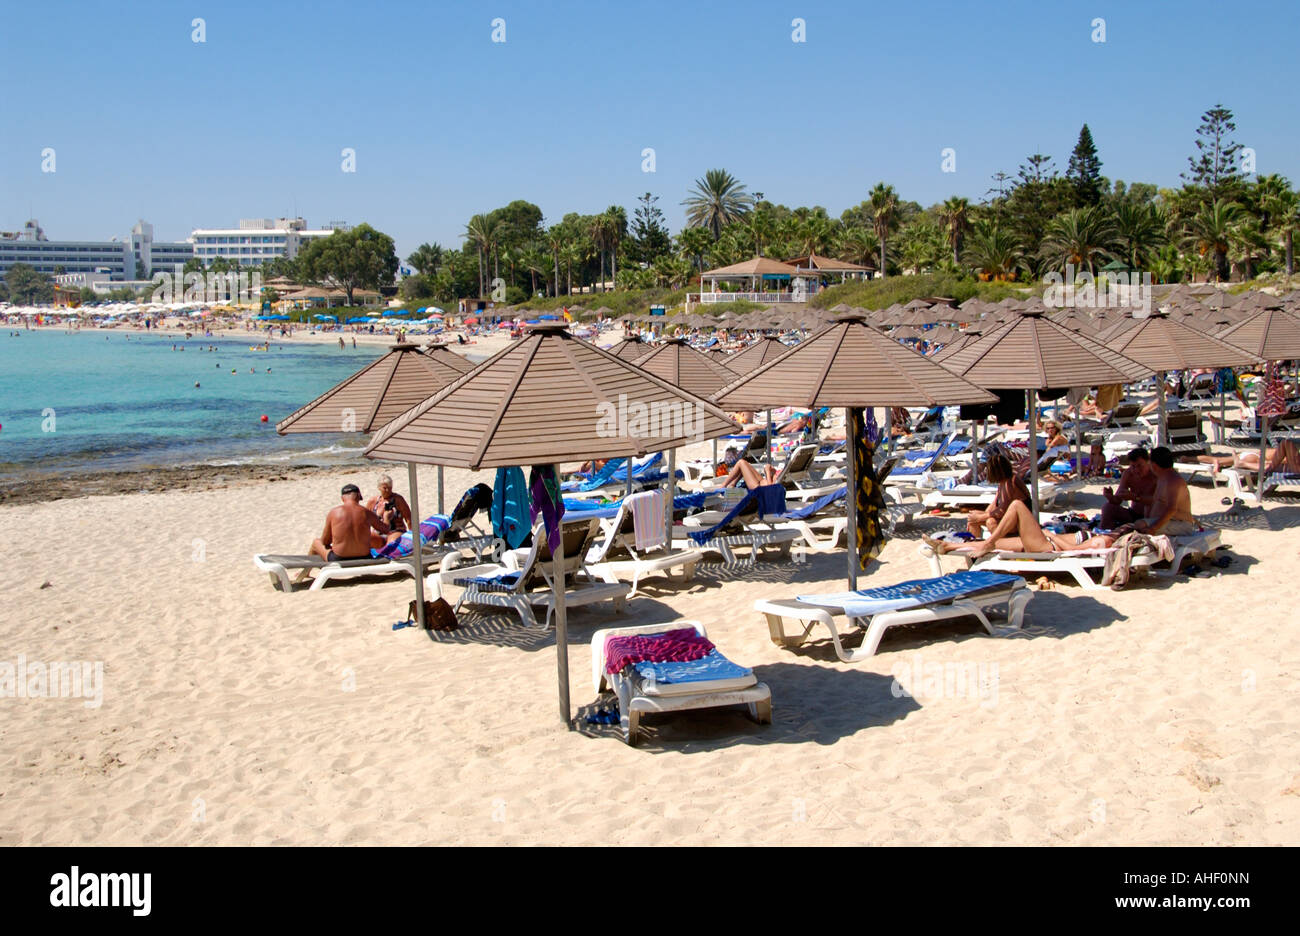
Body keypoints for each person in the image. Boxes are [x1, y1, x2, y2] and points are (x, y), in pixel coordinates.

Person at [305, 484, 390, 570]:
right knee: (374, 538)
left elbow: (325, 541)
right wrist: (386, 517)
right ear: (358, 496)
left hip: (339, 559)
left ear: (342, 498)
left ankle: (306, 572)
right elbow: (386, 530)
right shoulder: (366, 512)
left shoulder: (334, 512)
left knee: (316, 542)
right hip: (365, 557)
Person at [1121, 446, 1196, 536]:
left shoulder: (1173, 480)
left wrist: (1153, 528)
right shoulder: (1162, 477)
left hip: (1180, 524)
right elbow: (1154, 502)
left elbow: (1172, 509)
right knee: (1130, 527)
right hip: (1165, 521)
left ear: (1154, 465)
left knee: (1139, 525)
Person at [964, 453, 1031, 539]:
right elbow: (994, 505)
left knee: (990, 522)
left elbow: (1001, 511)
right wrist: (977, 517)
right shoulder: (1002, 483)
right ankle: (975, 542)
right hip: (1009, 519)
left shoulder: (1011, 483)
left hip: (1020, 522)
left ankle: (1000, 543)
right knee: (973, 516)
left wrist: (981, 517)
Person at [1100, 448, 1155, 528]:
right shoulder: (1128, 474)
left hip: (1152, 517)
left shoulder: (1155, 475)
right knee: (1107, 507)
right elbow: (1118, 500)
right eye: (1133, 466)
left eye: (1140, 466)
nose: (1136, 470)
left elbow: (1160, 501)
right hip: (1134, 514)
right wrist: (1110, 497)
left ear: (1148, 462)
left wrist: (1136, 497)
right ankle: (1105, 535)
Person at [364, 474, 412, 547]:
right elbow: (365, 520)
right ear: (379, 488)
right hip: (378, 532)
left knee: (391, 545)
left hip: (396, 530)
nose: (388, 490)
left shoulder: (398, 500)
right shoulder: (373, 501)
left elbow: (408, 518)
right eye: (385, 488)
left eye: (390, 488)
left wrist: (412, 535)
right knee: (367, 540)